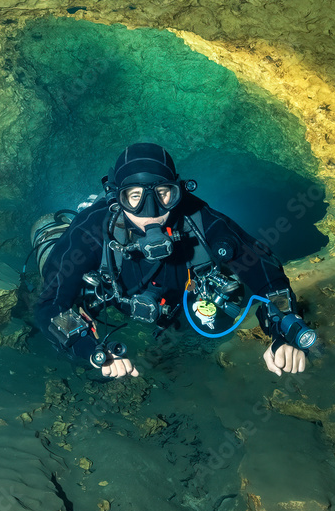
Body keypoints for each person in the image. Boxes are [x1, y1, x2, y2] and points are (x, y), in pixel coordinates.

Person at [34, 142, 311, 379]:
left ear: (178, 192)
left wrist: (282, 333)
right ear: (117, 198)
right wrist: (89, 349)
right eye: (135, 197)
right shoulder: (93, 229)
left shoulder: (201, 221)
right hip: (111, 298)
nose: (151, 212)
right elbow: (51, 302)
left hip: (179, 305)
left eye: (163, 194)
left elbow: (267, 275)